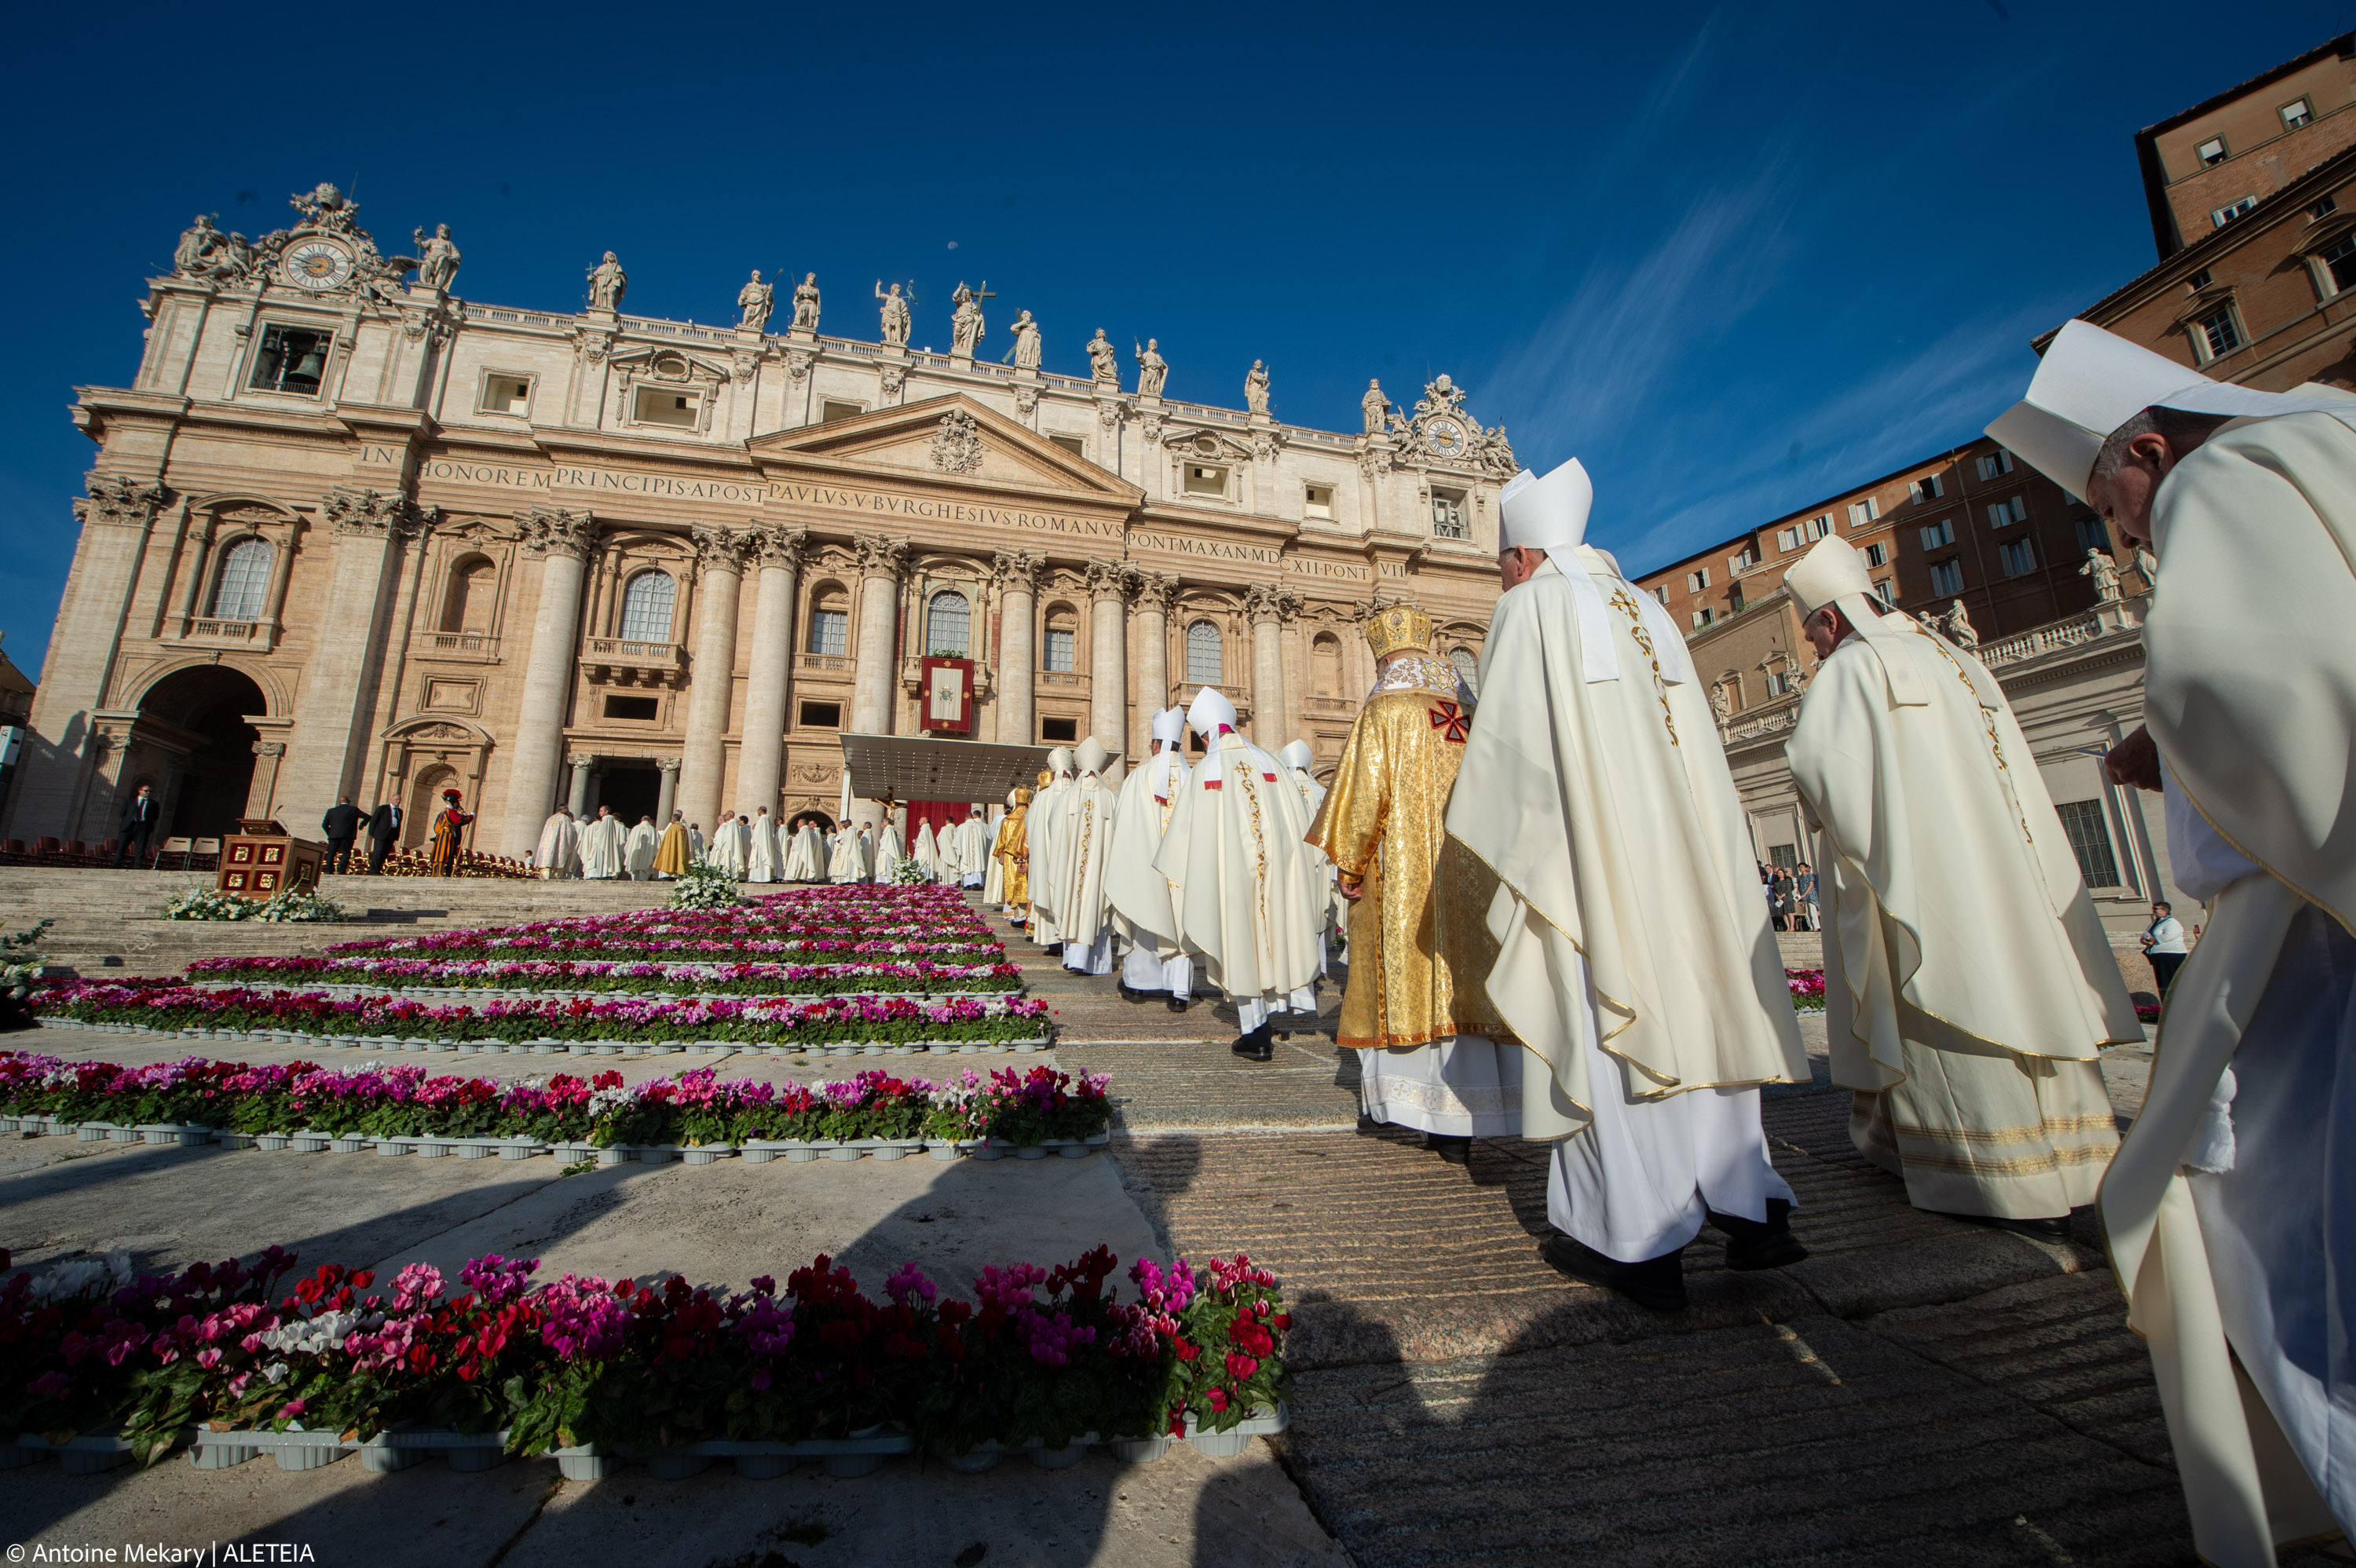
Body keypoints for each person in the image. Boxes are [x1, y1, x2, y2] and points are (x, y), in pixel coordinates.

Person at [1991, 317, 2356, 1559]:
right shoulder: (2334, 437)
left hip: (2318, 934)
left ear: (2150, 447)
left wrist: (2177, 740)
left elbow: (2266, 704)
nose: (2126, 539)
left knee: (2266, 1216)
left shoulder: (2223, 478)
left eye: (2116, 508)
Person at [1447, 458, 1808, 1312]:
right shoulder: (1648, 608)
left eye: (1501, 559)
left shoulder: (1530, 606)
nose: (1500, 572)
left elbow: (1513, 758)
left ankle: (1640, 1240)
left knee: (1610, 1022)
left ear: (1524, 555)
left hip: (1593, 863)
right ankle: (1746, 1205)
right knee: (1705, 1015)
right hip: (1691, 858)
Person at [1781, 535, 2138, 1239]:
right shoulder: (1959, 660)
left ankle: (1979, 1170)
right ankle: (2071, 1157)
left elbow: (1822, 770)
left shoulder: (1854, 669)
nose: (1814, 647)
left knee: (1950, 992)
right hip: (2005, 871)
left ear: (1829, 619)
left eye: (1811, 632)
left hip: (1931, 873)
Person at [1308, 602, 1519, 1163]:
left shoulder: (1384, 707)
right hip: (1478, 873)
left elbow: (1361, 800)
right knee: (1469, 977)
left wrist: (1349, 867)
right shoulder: (1468, 709)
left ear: (1384, 654)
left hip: (1404, 883)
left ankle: (1422, 1109)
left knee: (1409, 978)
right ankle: (1477, 1112)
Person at [1153, 688, 1324, 1061]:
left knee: (1241, 941)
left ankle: (1255, 1031)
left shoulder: (1207, 770)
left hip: (1230, 875)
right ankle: (1275, 1010)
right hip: (1275, 873)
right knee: (1275, 931)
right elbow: (1300, 827)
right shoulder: (1272, 763)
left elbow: (1184, 839)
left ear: (1204, 735)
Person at [1109, 709, 1194, 1012]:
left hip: (1147, 868)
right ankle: (1179, 992)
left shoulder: (1138, 776)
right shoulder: (1192, 776)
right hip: (1185, 872)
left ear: (1157, 745)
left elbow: (1121, 820)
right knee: (1183, 920)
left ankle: (1138, 985)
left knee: (1145, 914)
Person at [1056, 739, 1121, 975]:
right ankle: (1096, 964)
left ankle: (1072, 958)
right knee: (1095, 901)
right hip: (1100, 872)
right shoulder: (1112, 800)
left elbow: (1055, 835)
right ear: (1101, 771)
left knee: (1073, 901)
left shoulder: (1066, 800)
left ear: (1078, 770)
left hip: (1071, 871)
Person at [1028, 751, 1076, 948]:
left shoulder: (1040, 799)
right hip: (1071, 860)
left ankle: (1052, 942)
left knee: (1048, 891)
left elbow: (1030, 829)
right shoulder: (1080, 794)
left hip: (1046, 859)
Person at [998, 786, 1036, 923]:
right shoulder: (1032, 813)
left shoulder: (1007, 820)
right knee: (1027, 884)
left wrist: (1000, 853)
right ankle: (1027, 915)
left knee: (1014, 883)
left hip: (1011, 856)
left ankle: (1015, 915)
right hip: (1029, 855)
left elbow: (1002, 841)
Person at [2140, 901, 2187, 996]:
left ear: (2165, 911)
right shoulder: (2155, 922)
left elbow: (2171, 935)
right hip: (2156, 955)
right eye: (2153, 908)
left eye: (2156, 909)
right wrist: (2144, 940)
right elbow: (2147, 934)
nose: (2153, 911)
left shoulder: (2172, 922)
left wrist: (2155, 939)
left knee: (2169, 980)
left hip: (2171, 955)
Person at [114, 784, 161, 868]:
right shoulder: (130, 801)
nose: (148, 793)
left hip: (142, 827)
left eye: (150, 791)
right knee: (122, 847)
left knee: (140, 849)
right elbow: (122, 814)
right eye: (146, 791)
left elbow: (155, 816)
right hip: (129, 826)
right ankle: (116, 866)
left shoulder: (153, 804)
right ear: (140, 791)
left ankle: (137, 867)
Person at [428, 790, 473, 876]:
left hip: (446, 834)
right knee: (442, 853)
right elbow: (457, 820)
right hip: (445, 835)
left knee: (446, 854)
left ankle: (440, 872)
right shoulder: (449, 811)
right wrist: (470, 817)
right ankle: (438, 872)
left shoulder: (444, 812)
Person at [578, 805, 627, 880]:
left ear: (606, 811)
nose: (600, 812)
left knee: (597, 860)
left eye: (601, 811)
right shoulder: (610, 820)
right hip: (604, 844)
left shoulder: (606, 820)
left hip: (600, 844)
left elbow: (601, 834)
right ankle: (604, 873)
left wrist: (595, 836)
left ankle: (596, 874)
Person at [320, 795, 364, 875]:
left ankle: (329, 870)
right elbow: (367, 817)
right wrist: (362, 825)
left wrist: (330, 833)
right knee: (346, 853)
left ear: (339, 802)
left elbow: (324, 825)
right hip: (348, 836)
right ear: (349, 802)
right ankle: (341, 871)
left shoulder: (331, 811)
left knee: (331, 853)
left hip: (333, 836)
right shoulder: (353, 809)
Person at [535, 806, 580, 880]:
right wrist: (569, 848)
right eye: (567, 809)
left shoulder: (550, 819)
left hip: (546, 850)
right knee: (556, 873)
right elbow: (569, 835)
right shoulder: (565, 819)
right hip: (559, 849)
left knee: (546, 869)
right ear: (564, 809)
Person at [953, 805, 991, 891]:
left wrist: (959, 851)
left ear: (966, 818)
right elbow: (985, 840)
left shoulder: (961, 827)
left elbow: (956, 842)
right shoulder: (980, 827)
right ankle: (978, 883)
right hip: (978, 853)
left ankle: (967, 884)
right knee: (977, 863)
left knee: (967, 864)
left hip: (966, 853)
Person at [366, 801, 402, 875]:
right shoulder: (383, 808)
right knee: (378, 852)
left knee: (385, 853)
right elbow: (374, 820)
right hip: (381, 834)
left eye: (399, 800)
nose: (398, 801)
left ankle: (378, 870)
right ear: (392, 799)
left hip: (392, 835)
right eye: (396, 799)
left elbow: (398, 823)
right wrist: (372, 833)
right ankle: (373, 870)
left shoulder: (400, 811)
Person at [653, 810, 691, 879]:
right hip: (681, 850)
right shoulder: (683, 827)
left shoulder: (673, 827)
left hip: (672, 849)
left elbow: (667, 840)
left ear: (673, 819)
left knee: (670, 860)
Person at [744, 807, 778, 883]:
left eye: (758, 811)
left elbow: (757, 835)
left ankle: (758, 878)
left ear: (760, 811)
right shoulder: (768, 821)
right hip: (765, 845)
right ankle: (764, 877)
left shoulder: (762, 820)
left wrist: (753, 840)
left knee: (758, 860)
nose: (758, 813)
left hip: (760, 845)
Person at [626, 814, 659, 881]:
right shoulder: (652, 830)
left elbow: (629, 843)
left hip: (635, 855)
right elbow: (657, 845)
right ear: (649, 821)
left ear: (641, 820)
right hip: (647, 856)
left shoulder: (635, 828)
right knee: (645, 869)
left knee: (635, 870)